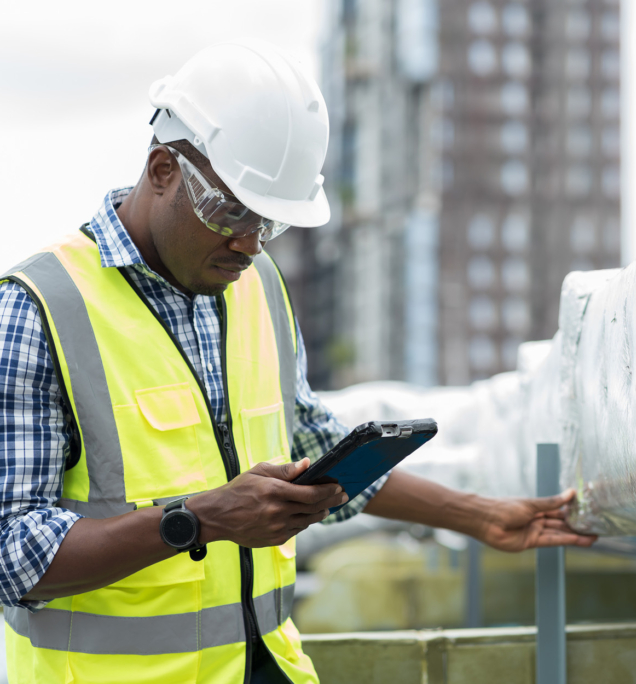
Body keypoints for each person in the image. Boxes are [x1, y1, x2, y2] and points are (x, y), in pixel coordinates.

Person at [0, 41, 596, 684]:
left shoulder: (255, 287)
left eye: (269, 223)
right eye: (231, 211)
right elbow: (12, 557)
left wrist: (479, 515)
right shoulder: (37, 309)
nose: (249, 244)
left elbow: (314, 450)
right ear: (162, 170)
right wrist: (201, 518)